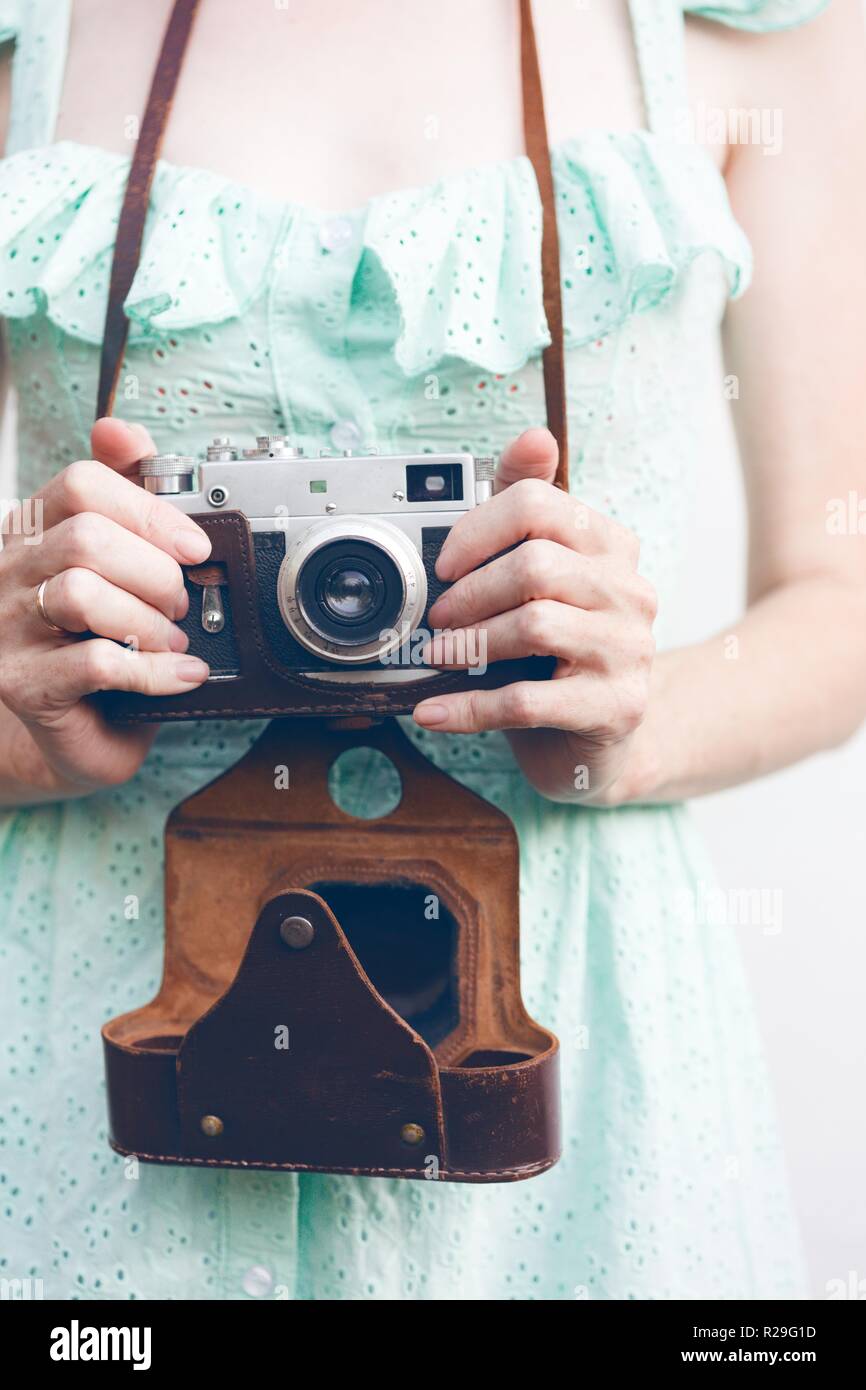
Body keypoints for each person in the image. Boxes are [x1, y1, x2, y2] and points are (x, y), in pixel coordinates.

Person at [0, 0, 863, 1300]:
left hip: (556, 1004)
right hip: (103, 994)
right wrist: (22, 709)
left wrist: (628, 722)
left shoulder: (746, 29)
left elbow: (839, 589)